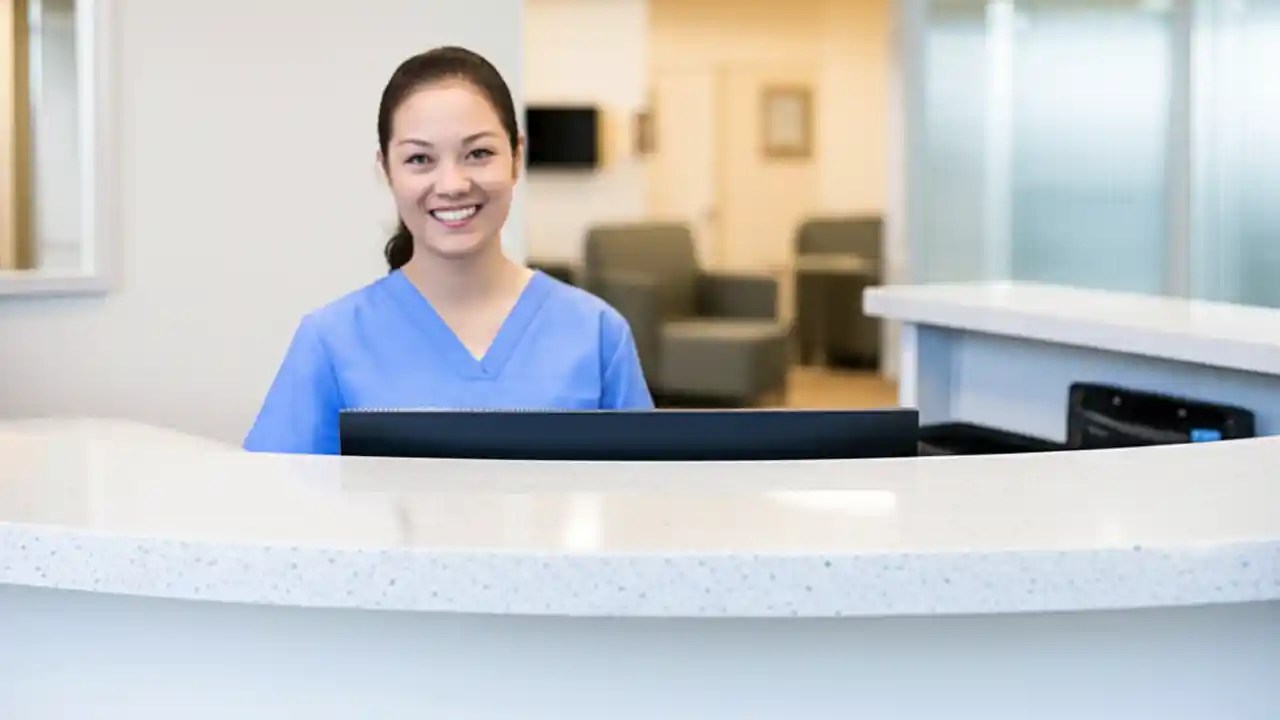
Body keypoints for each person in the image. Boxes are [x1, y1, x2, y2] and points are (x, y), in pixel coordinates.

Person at [243, 46, 653, 454]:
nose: (453, 184)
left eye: (479, 154)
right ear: (386, 170)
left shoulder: (596, 334)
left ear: (516, 157)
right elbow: (275, 491)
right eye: (420, 158)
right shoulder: (331, 341)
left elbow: (644, 488)